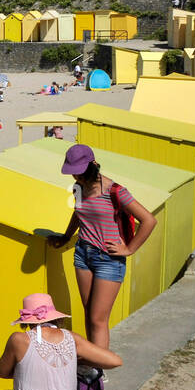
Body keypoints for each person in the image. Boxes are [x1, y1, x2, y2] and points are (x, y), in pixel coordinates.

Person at [47, 144, 157, 350]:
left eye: (79, 173)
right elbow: (78, 214)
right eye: (73, 174)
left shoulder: (116, 191)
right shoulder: (79, 188)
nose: (76, 178)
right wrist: (66, 237)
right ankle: (93, 363)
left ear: (92, 166)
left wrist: (129, 249)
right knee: (89, 313)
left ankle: (98, 370)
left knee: (98, 320)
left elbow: (149, 220)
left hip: (108, 259)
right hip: (82, 254)